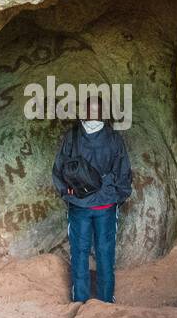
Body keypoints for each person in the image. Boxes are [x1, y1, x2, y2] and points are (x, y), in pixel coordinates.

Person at [51, 96, 133, 303]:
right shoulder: (114, 138)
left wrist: (66, 193)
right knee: (106, 252)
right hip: (106, 205)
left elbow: (59, 168)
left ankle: (80, 299)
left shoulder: (72, 136)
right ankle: (106, 300)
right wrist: (116, 197)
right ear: (103, 113)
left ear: (83, 112)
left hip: (79, 205)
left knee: (79, 252)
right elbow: (124, 173)